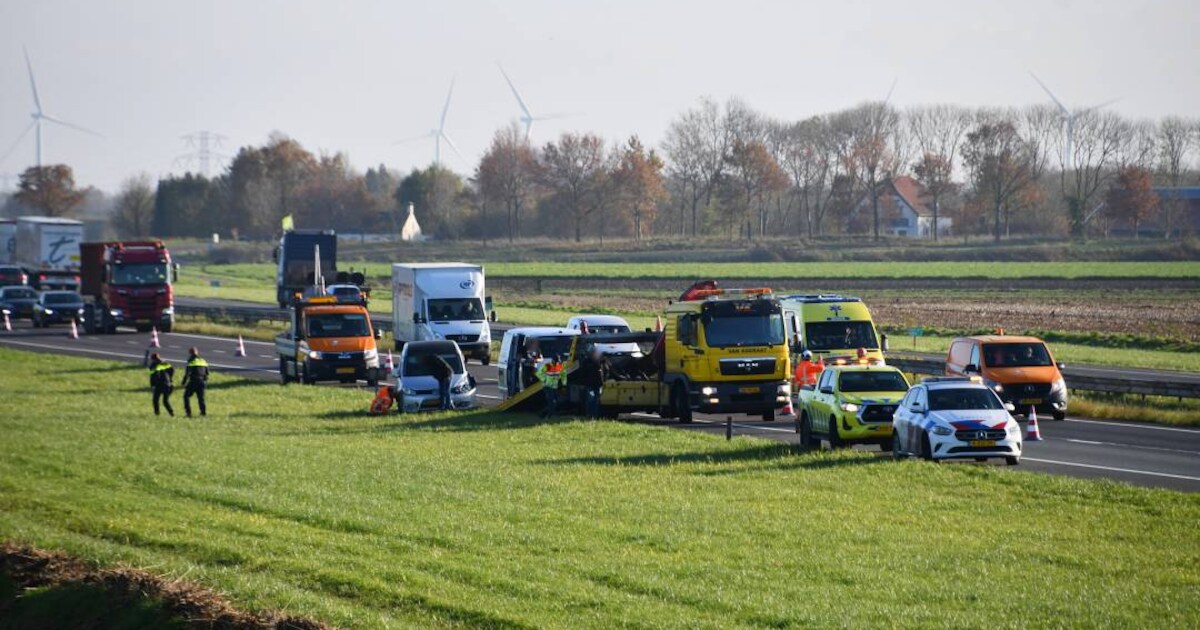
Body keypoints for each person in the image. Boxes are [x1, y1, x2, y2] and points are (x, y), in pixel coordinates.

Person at [576, 347, 608, 418]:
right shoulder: (587, 362)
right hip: (590, 385)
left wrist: (602, 383)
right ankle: (589, 415)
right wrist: (582, 383)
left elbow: (602, 373)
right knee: (591, 400)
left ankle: (595, 415)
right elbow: (583, 373)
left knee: (596, 401)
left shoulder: (599, 362)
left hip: (597, 385)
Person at [181, 347, 210, 417]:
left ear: (190, 353)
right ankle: (203, 413)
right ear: (197, 352)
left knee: (186, 396)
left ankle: (188, 413)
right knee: (201, 398)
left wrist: (183, 383)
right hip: (202, 382)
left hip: (194, 381)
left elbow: (187, 374)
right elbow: (207, 373)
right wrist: (205, 382)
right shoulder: (203, 361)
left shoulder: (191, 361)